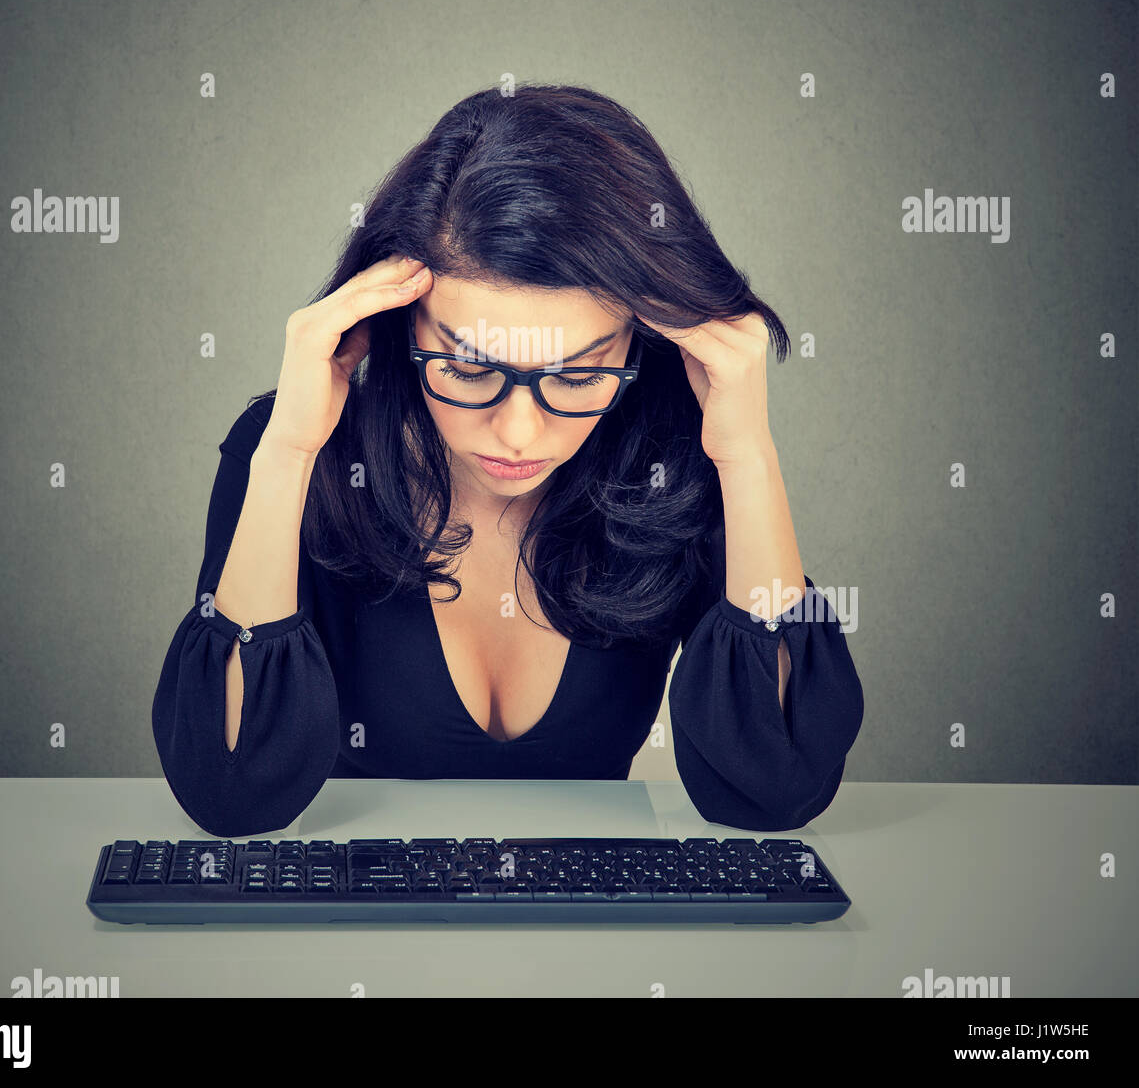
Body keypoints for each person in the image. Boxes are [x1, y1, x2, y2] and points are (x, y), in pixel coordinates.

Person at [152, 83, 863, 837]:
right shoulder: (298, 448)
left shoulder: (677, 460)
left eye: (580, 373)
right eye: (466, 369)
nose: (519, 432)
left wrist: (747, 456)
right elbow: (227, 793)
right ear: (396, 326)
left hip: (590, 940)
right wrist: (288, 453)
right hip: (359, 940)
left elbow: (778, 788)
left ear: (638, 346)